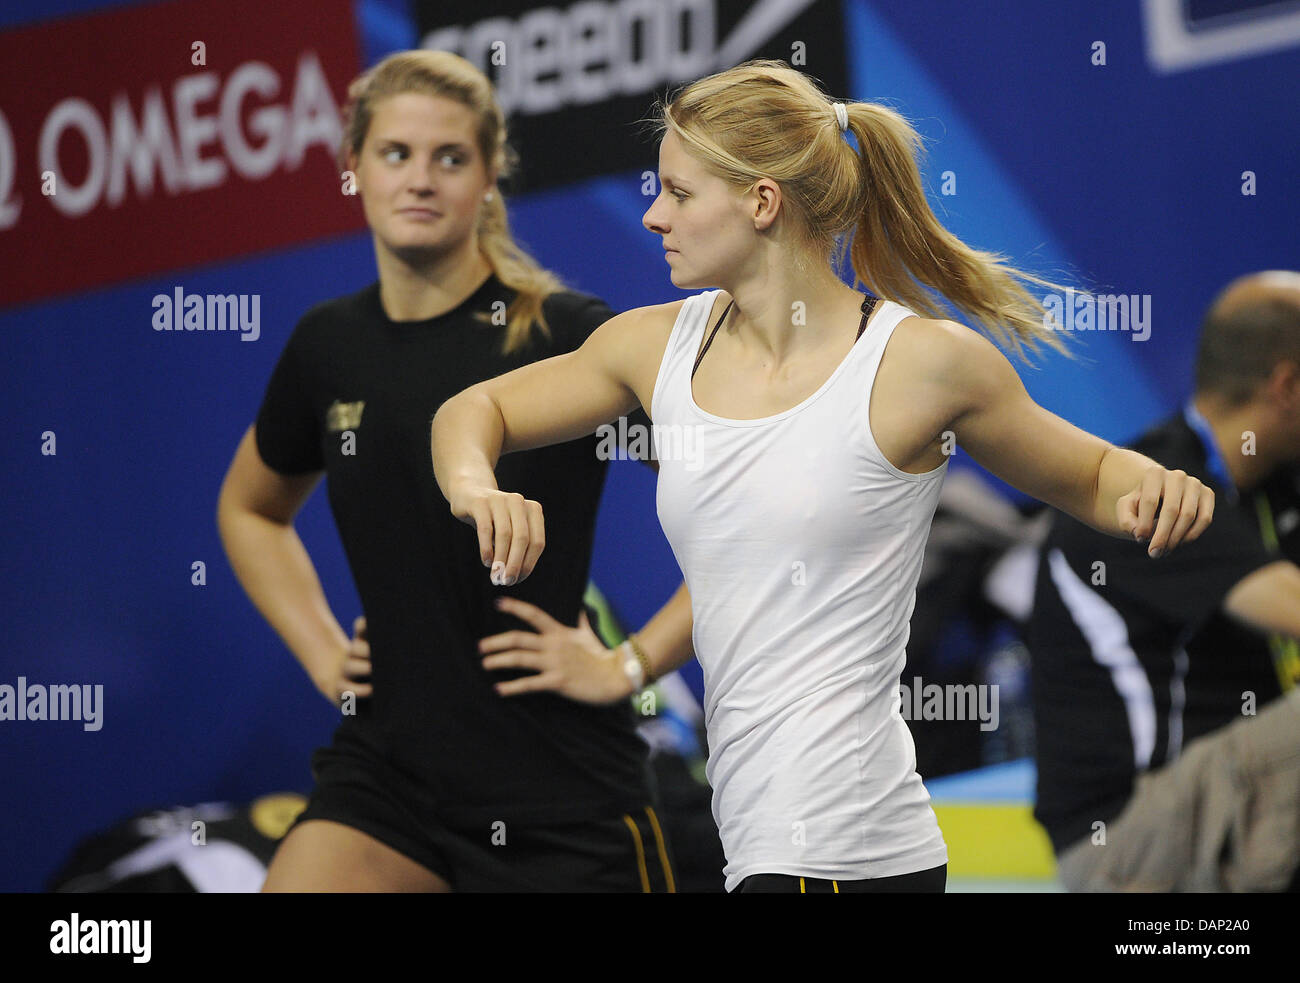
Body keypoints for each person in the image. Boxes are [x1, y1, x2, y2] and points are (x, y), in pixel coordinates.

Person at [429, 59, 1216, 894]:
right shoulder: (651, 346)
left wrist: (1159, 484)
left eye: (679, 193)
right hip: (775, 851)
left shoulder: (921, 364)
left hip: (836, 855)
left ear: (762, 203)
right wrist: (477, 487)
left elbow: (1095, 473)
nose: (655, 215)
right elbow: (475, 410)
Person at [216, 50, 690, 892]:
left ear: (489, 176)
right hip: (387, 774)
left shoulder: (570, 334)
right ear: (352, 166)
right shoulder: (328, 346)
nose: (420, 178)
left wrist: (630, 664)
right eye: (395, 153)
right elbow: (251, 510)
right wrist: (326, 653)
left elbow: (753, 509)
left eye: (450, 157)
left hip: (562, 789)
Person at [1026, 271, 1300, 892]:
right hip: (1129, 846)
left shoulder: (1275, 488)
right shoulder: (1154, 490)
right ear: (1286, 385)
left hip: (1226, 813)